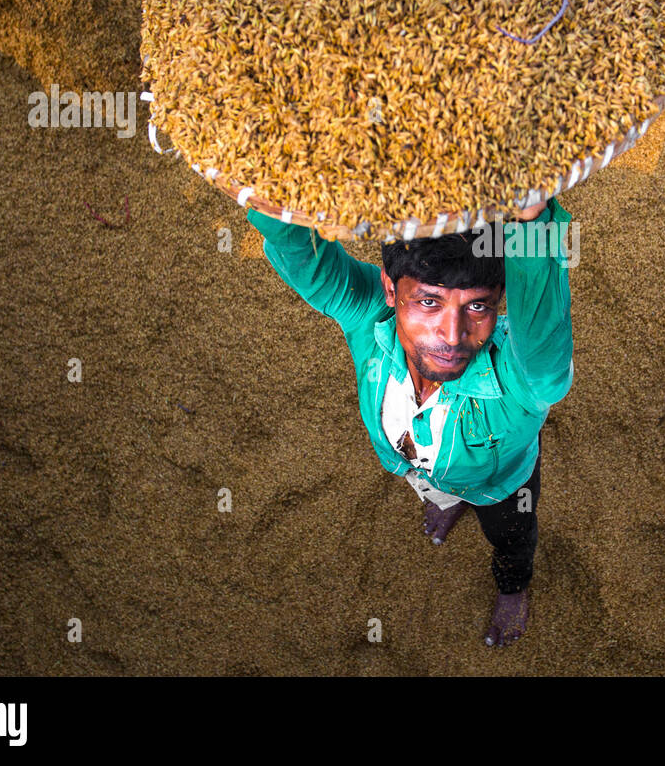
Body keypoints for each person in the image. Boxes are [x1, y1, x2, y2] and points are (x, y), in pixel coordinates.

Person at [246, 197, 574, 647]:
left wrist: (532, 221)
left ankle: (512, 588)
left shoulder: (524, 380)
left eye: (477, 307)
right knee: (432, 486)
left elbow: (542, 335)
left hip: (501, 485)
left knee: (512, 538)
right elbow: (301, 250)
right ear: (389, 289)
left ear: (499, 304)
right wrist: (269, 188)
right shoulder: (370, 314)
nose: (452, 336)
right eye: (428, 301)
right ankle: (444, 498)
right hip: (414, 466)